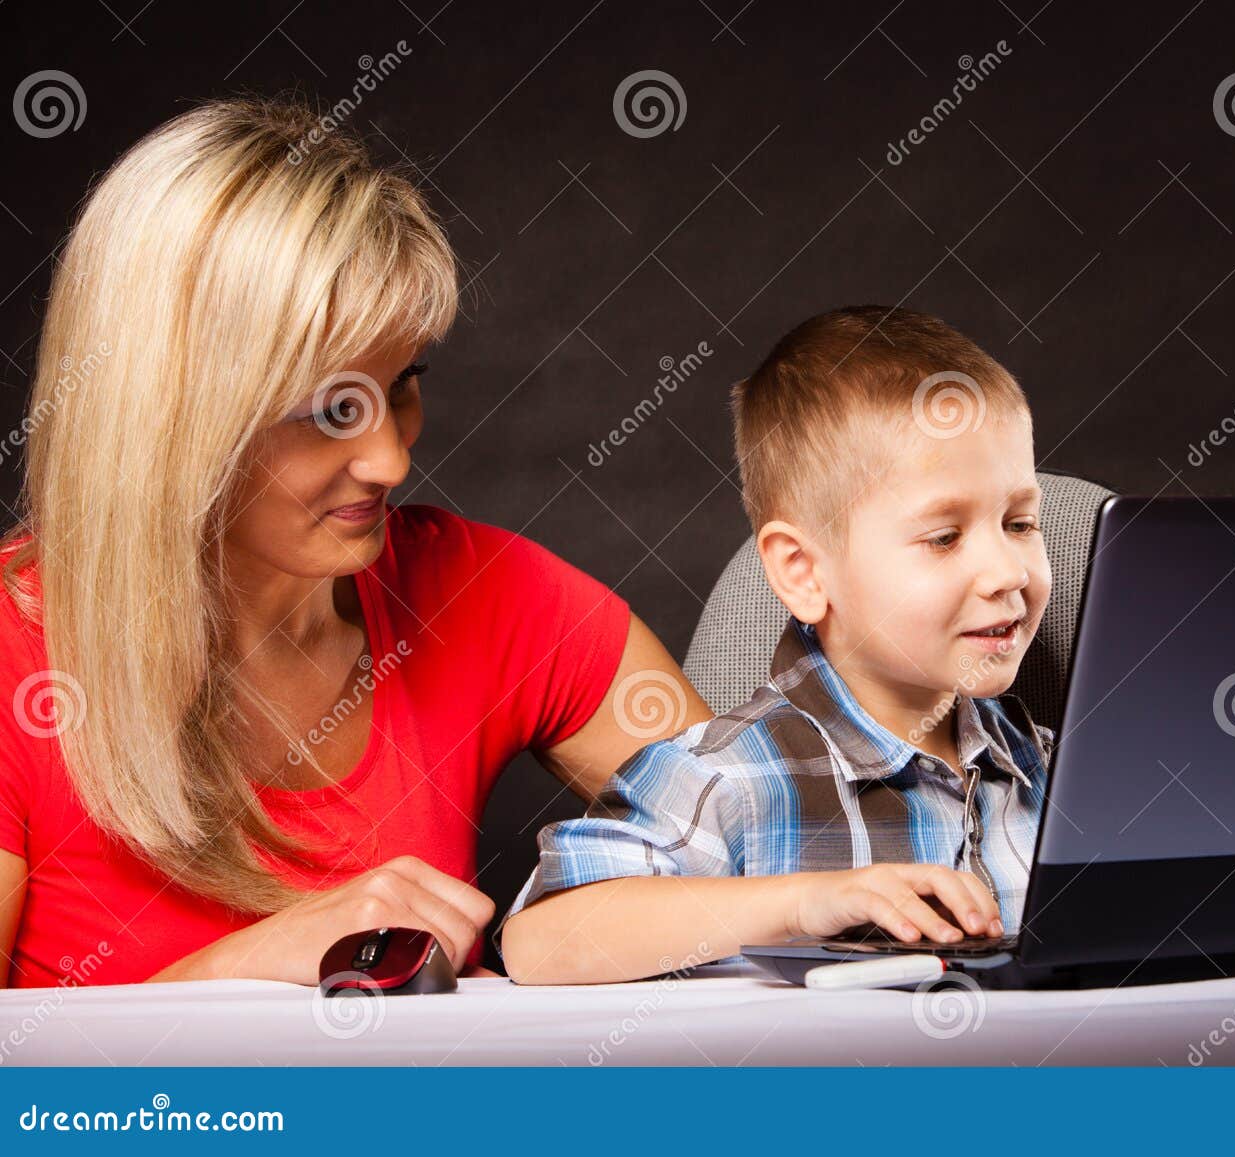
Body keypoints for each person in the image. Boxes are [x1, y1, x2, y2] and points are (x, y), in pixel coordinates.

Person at [0, 98, 710, 989]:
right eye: (329, 410)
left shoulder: (483, 592)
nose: (389, 456)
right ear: (166, 418)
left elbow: (774, 855)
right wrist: (241, 976)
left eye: (402, 382)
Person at [500, 306, 1054, 985]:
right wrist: (804, 902)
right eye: (944, 537)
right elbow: (543, 936)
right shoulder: (727, 775)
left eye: (1021, 522)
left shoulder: (1059, 771)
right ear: (804, 572)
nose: (1008, 573)